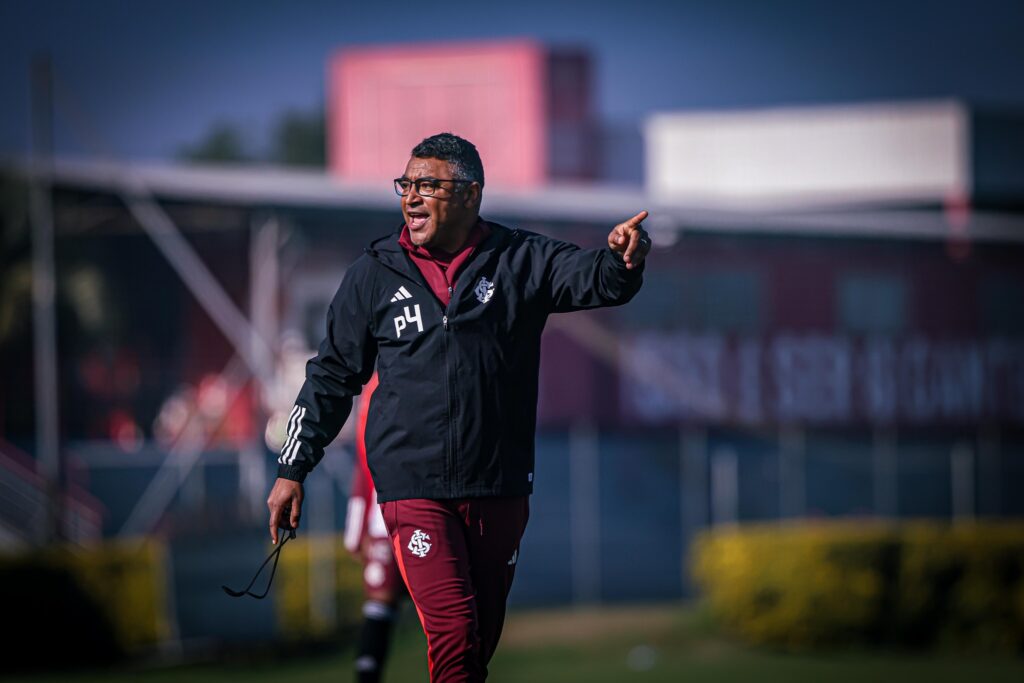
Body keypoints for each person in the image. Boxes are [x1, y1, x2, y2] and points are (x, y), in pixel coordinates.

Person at [267, 132, 651, 682]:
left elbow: (595, 279)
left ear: (471, 195)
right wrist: (291, 469)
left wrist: (622, 260)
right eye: (406, 185)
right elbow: (330, 377)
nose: (412, 198)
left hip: (499, 485)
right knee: (454, 637)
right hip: (412, 486)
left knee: (476, 648)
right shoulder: (372, 274)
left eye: (429, 185)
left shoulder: (521, 257)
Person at [344, 372, 405, 683]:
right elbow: (365, 461)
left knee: (444, 611)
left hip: (427, 510)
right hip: (385, 519)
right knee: (380, 603)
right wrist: (355, 528)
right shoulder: (375, 388)